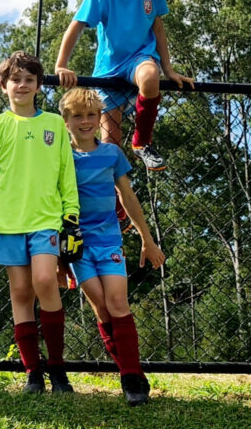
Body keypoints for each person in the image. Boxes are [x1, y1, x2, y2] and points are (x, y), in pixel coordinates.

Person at [0, 51, 82, 394]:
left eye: (29, 80)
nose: (22, 85)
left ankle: (58, 369)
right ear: (3, 86)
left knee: (46, 281)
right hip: (6, 224)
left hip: (46, 220)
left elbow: (67, 171)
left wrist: (71, 217)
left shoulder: (53, 124)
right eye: (15, 80)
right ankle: (33, 372)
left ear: (38, 85)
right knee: (20, 292)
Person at [55, 0, 194, 173]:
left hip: (139, 59)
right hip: (109, 71)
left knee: (151, 77)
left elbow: (158, 29)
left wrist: (169, 69)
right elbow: (75, 27)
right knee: (110, 147)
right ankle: (116, 208)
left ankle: (142, 142)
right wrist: (61, 65)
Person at [59, 88, 165, 406]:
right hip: (77, 247)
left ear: (99, 118)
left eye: (92, 114)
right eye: (78, 115)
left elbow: (127, 196)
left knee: (118, 302)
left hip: (109, 242)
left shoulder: (111, 154)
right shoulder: (60, 157)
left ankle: (132, 381)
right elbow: (51, 204)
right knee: (102, 308)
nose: (86, 121)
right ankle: (130, 371)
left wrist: (147, 239)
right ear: (66, 120)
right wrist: (59, 261)